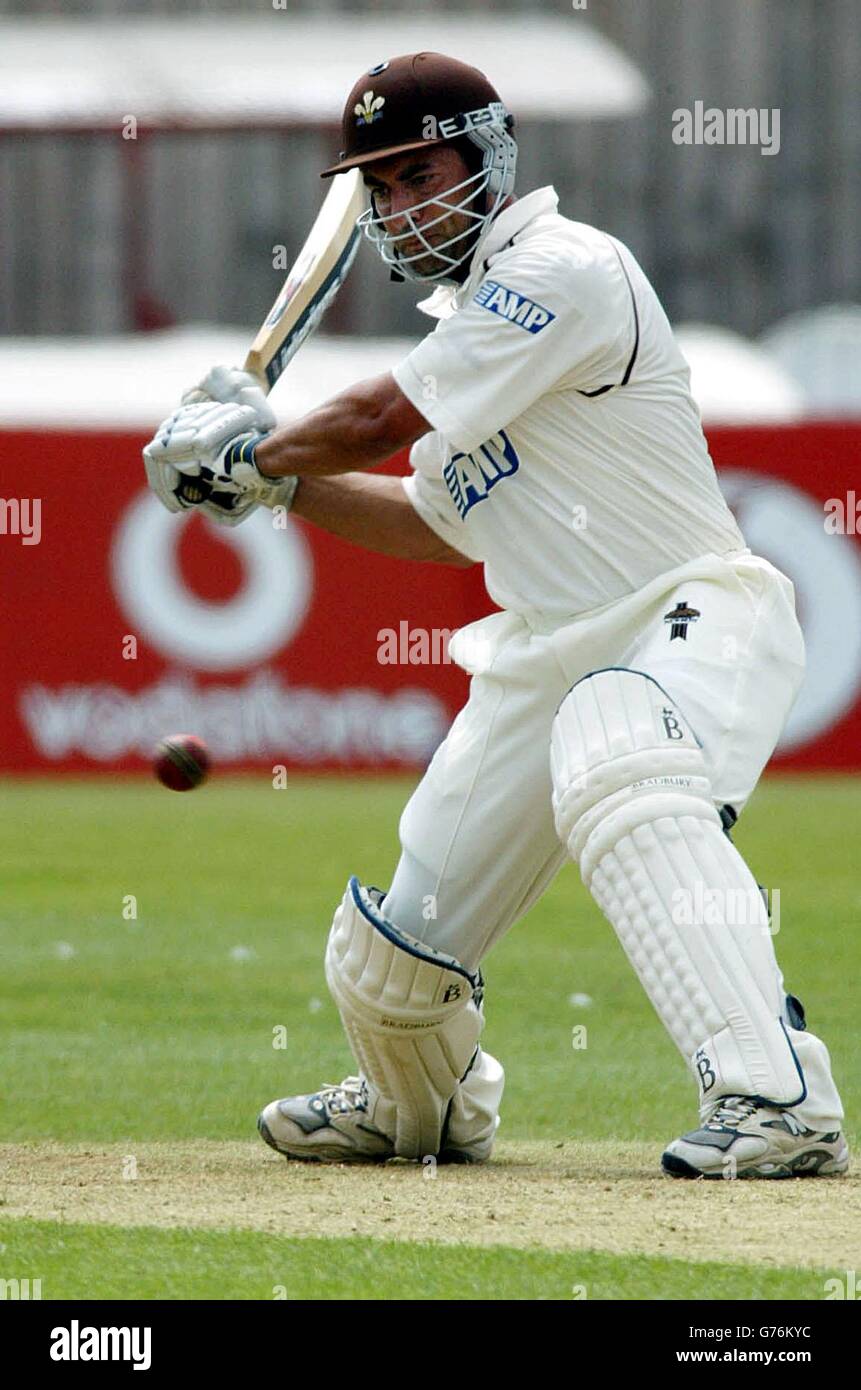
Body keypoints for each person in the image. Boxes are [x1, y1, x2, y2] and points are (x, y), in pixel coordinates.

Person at [143, 53, 847, 1179]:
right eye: (380, 188)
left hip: (690, 611)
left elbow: (378, 413)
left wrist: (249, 446)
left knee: (615, 750)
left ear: (490, 156)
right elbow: (434, 518)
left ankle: (778, 1095)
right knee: (394, 962)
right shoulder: (466, 323)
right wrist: (273, 482)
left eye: (419, 174)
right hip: (544, 650)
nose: (398, 206)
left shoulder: (565, 267)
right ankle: (416, 1109)